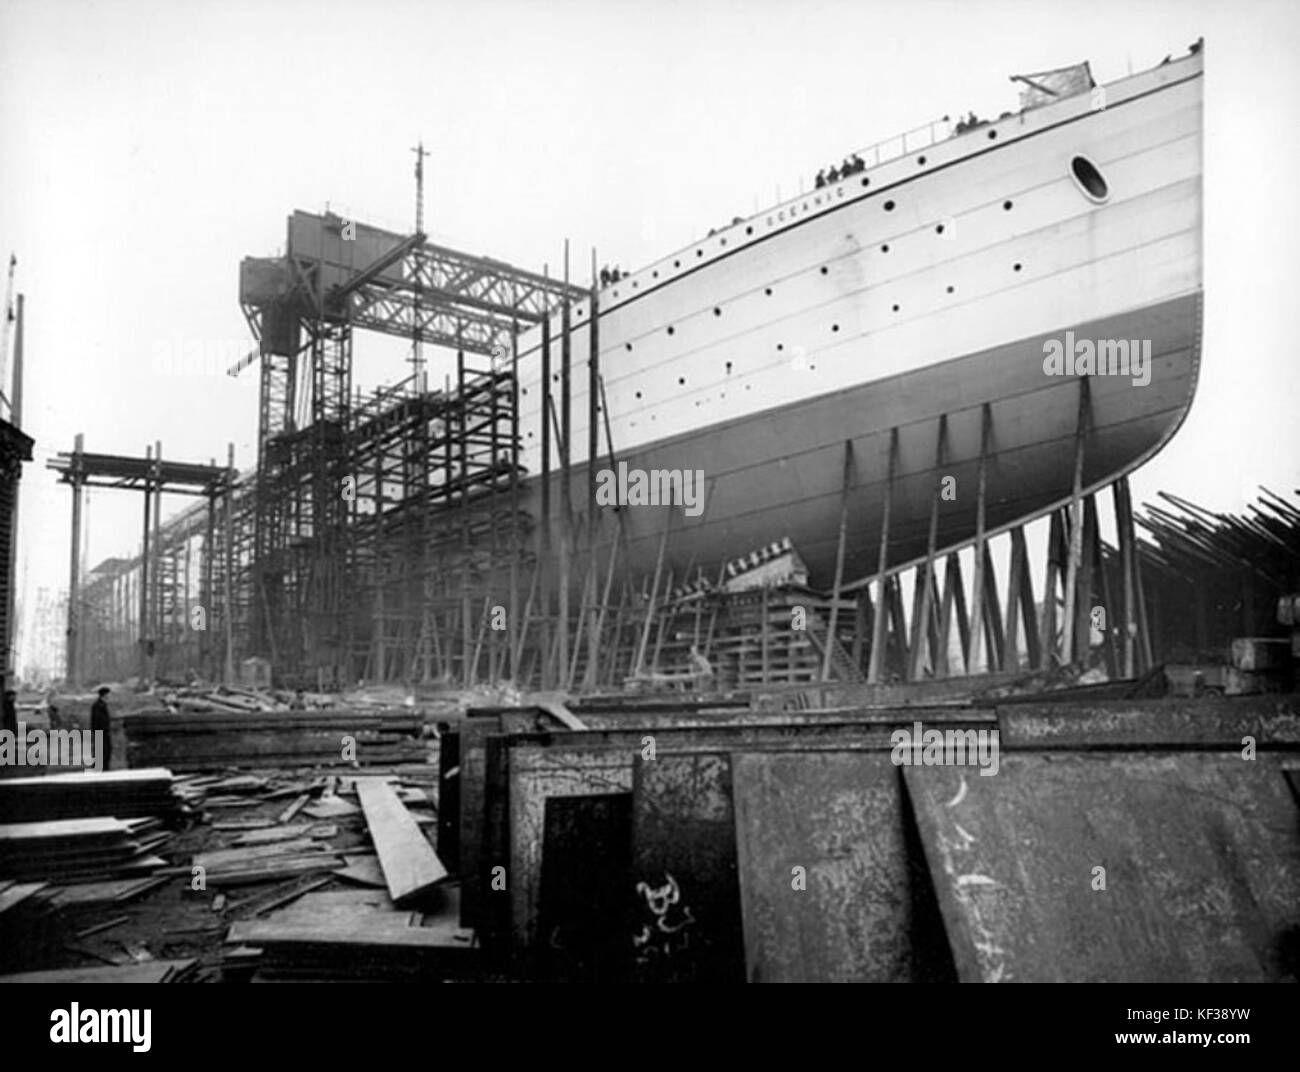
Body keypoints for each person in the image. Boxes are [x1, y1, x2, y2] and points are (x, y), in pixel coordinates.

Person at [90, 686, 112, 771]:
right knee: (101, 753)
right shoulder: (98, 706)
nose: (109, 696)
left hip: (104, 733)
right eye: (108, 695)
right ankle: (99, 771)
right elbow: (98, 721)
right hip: (100, 733)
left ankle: (104, 770)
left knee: (105, 752)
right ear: (104, 695)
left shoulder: (102, 705)